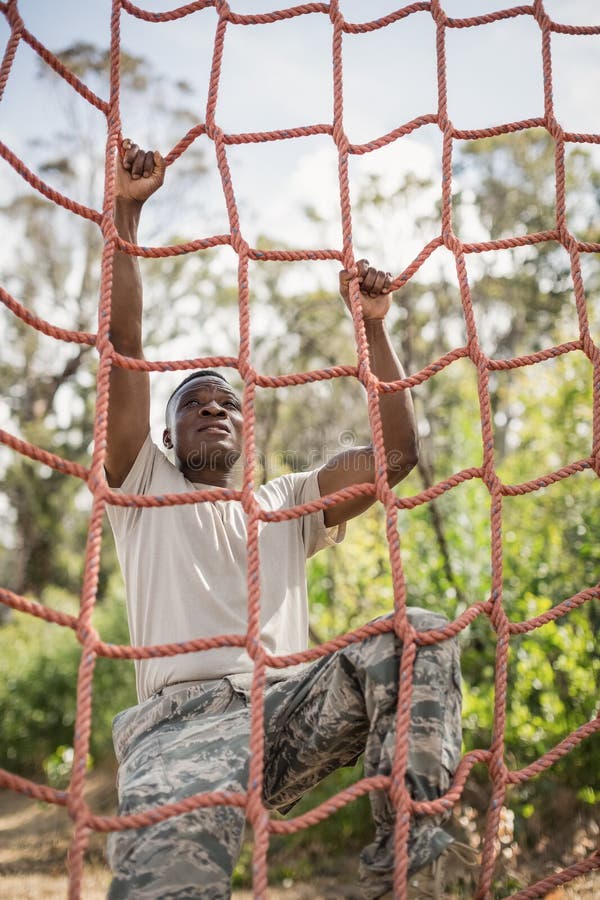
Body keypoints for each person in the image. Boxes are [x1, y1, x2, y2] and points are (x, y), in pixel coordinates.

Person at [104, 140, 462, 900]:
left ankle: (413, 864)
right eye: (192, 403)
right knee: (167, 887)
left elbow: (396, 457)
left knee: (418, 632)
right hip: (178, 732)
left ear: (245, 429)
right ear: (168, 436)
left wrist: (371, 327)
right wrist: (126, 214)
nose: (211, 406)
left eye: (226, 400)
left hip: (282, 713)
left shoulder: (287, 504)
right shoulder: (140, 482)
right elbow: (123, 349)